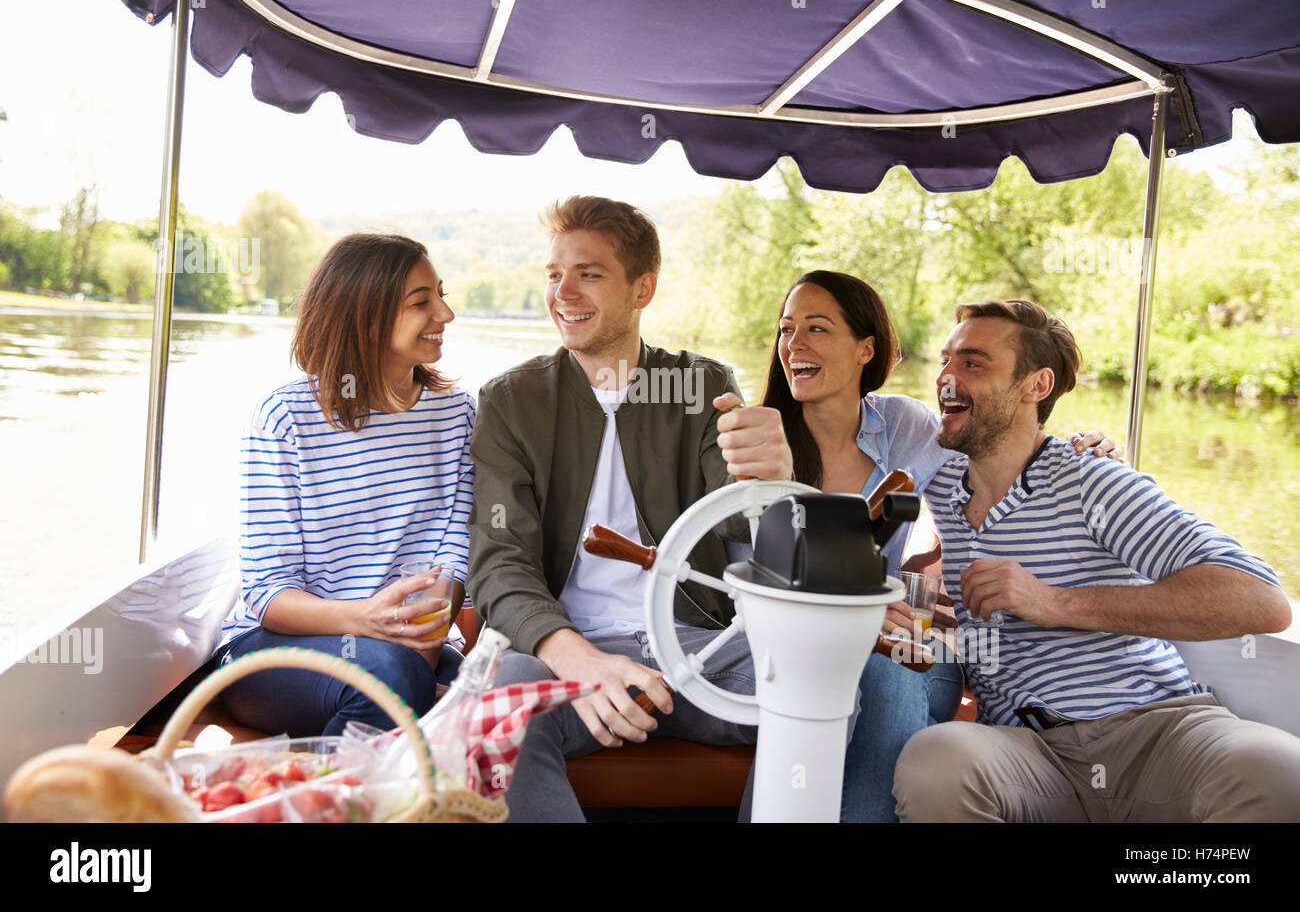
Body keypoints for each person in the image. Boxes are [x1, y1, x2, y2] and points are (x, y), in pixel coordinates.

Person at [891, 299, 1300, 821]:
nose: (947, 377)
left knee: (1280, 769)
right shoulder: (939, 480)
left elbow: (1260, 599)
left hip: (1157, 735)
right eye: (945, 361)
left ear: (1035, 386)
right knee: (937, 760)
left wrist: (1053, 602)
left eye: (973, 363)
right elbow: (850, 431)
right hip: (1026, 754)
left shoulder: (1092, 480)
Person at [468, 195, 797, 822]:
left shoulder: (702, 385)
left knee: (823, 682)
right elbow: (498, 564)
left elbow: (737, 525)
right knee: (498, 697)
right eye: (553, 274)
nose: (563, 292)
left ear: (642, 289)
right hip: (562, 651)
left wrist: (771, 480)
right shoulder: (511, 400)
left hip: (696, 648)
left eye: (588, 274)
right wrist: (581, 661)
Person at [761, 270, 1115, 822]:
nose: (794, 344)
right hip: (799, 638)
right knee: (830, 674)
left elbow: (999, 448)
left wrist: (1076, 448)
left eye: (816, 328)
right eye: (786, 329)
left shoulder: (907, 425)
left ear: (866, 349)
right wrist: (855, 605)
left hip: (905, 636)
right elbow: (749, 573)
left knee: (899, 657)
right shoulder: (760, 442)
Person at [216, 233, 475, 737]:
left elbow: (455, 547)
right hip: (274, 650)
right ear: (367, 319)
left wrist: (426, 632)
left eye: (440, 295)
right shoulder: (284, 418)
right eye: (422, 302)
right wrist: (365, 621)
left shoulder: (456, 415)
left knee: (497, 688)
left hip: (410, 647)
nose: (445, 313)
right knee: (390, 678)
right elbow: (267, 594)